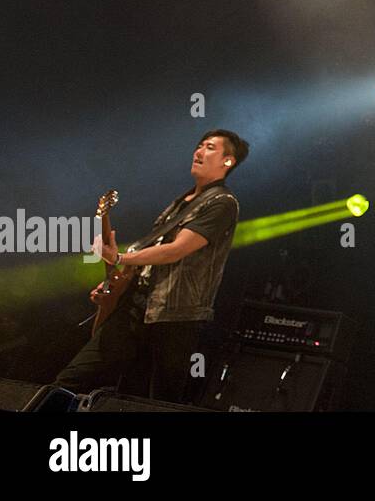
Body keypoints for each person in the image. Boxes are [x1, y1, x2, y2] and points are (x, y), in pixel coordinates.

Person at [53, 129, 247, 403]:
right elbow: (149, 257)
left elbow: (176, 251)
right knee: (70, 381)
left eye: (210, 147)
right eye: (199, 145)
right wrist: (116, 283)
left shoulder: (222, 203)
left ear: (228, 161)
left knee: (158, 401)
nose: (199, 151)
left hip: (175, 318)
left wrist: (120, 258)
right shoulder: (180, 203)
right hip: (136, 307)